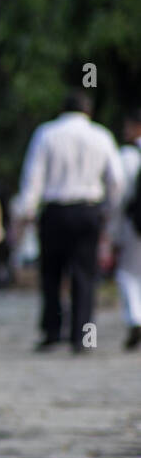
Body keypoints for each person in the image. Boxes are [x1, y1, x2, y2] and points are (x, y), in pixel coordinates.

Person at [13, 91, 125, 353]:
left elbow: (33, 177)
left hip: (55, 213)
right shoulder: (101, 135)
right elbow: (116, 180)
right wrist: (109, 210)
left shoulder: (46, 134)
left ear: (62, 110)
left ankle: (52, 331)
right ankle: (81, 336)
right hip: (88, 212)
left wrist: (26, 212)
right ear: (88, 111)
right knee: (84, 275)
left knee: (51, 273)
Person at [110, 108, 141, 351]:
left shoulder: (128, 156)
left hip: (135, 225)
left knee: (129, 274)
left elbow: (119, 193)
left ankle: (135, 318)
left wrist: (113, 229)